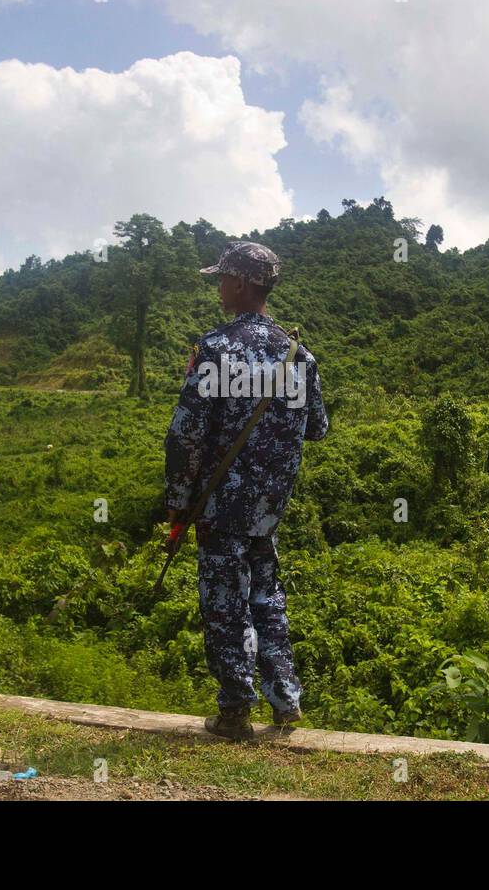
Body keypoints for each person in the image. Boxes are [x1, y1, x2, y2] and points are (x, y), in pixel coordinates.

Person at [164, 240, 329, 740]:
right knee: (267, 597)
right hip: (268, 508)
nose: (218, 287)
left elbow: (185, 435)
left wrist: (178, 503)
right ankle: (285, 700)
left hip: (219, 506)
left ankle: (235, 712)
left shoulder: (216, 350)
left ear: (239, 283)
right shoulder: (299, 356)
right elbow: (317, 428)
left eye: (222, 279)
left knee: (224, 604)